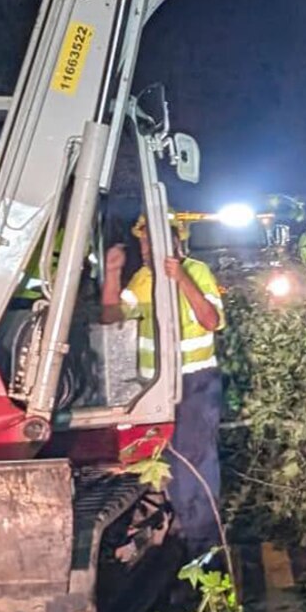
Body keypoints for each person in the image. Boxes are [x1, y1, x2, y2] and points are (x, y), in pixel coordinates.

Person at [102, 216, 226, 559]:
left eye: (152, 242)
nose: (146, 250)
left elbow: (211, 321)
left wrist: (180, 278)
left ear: (176, 243)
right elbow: (112, 320)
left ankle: (202, 545)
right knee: (156, 456)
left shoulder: (197, 272)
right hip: (152, 386)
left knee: (194, 459)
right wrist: (112, 274)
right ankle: (171, 531)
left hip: (194, 382)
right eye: (143, 243)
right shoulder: (142, 279)